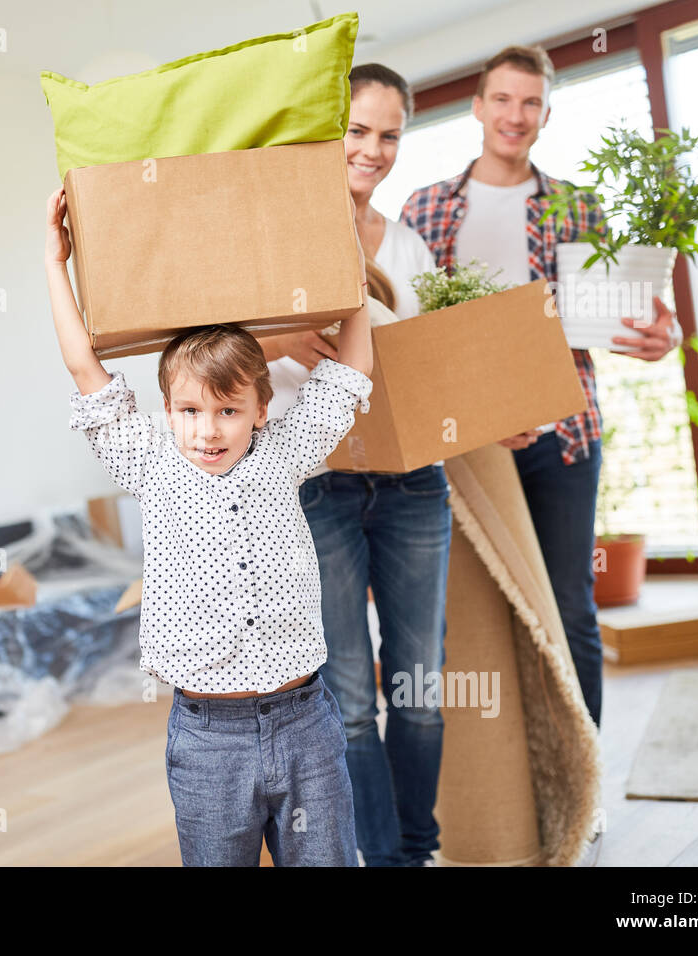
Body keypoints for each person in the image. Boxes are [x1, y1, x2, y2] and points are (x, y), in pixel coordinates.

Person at [46, 185, 379, 866]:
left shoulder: (288, 452)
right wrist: (56, 263)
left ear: (261, 408)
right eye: (191, 411)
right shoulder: (147, 463)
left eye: (228, 410)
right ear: (167, 411)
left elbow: (353, 367)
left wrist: (342, 257)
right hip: (207, 739)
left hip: (306, 722)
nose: (207, 429)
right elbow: (84, 367)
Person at [400, 44, 681, 734]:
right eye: (502, 99)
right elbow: (414, 337)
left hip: (562, 438)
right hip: (469, 445)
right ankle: (509, 786)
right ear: (478, 107)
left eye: (530, 103)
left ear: (547, 113)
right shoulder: (428, 208)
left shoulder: (579, 210)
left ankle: (583, 771)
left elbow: (624, 317)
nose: (514, 115)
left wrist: (659, 335)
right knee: (480, 612)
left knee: (570, 603)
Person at [260, 63, 450, 867]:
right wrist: (281, 341)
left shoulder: (406, 243)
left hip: (414, 484)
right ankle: (388, 859)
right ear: (326, 133)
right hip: (321, 487)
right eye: (358, 131)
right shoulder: (276, 234)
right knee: (350, 700)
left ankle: (420, 846)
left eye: (389, 135)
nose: (372, 150)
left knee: (421, 693)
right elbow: (215, 357)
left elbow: (436, 360)